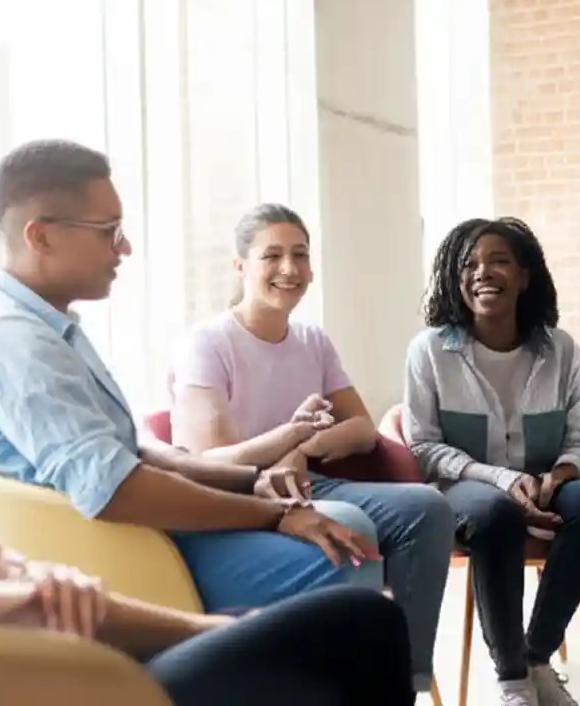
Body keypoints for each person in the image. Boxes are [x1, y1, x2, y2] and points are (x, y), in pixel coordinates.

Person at [0, 62, 415, 706]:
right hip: (52, 654)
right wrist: (257, 544)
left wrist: (250, 487)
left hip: (67, 610)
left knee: (354, 596)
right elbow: (97, 502)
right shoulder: (6, 340)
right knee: (358, 613)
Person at [0, 139, 384, 614]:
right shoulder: (13, 340)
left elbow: (131, 453)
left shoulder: (46, 327)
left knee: (346, 524)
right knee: (344, 551)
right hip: (114, 554)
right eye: (109, 231)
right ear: (41, 237)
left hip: (127, 533)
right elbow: (117, 488)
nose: (124, 247)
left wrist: (249, 482)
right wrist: (275, 514)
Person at [168, 203, 455, 694]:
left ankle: (405, 681)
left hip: (310, 482)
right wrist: (290, 437)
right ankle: (347, 690)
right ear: (240, 266)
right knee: (350, 526)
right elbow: (211, 461)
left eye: (300, 254)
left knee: (428, 508)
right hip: (242, 493)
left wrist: (304, 448)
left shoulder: (311, 340)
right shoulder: (208, 343)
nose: (290, 268)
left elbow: (362, 428)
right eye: (272, 255)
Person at [404, 217, 580, 706]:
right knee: (495, 514)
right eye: (469, 265)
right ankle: (512, 678)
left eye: (498, 261)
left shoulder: (561, 350)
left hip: (545, 482)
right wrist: (502, 480)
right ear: (455, 278)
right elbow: (424, 447)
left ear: (524, 276)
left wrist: (556, 477)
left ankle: (537, 657)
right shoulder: (430, 351)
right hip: (464, 489)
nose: (483, 272)